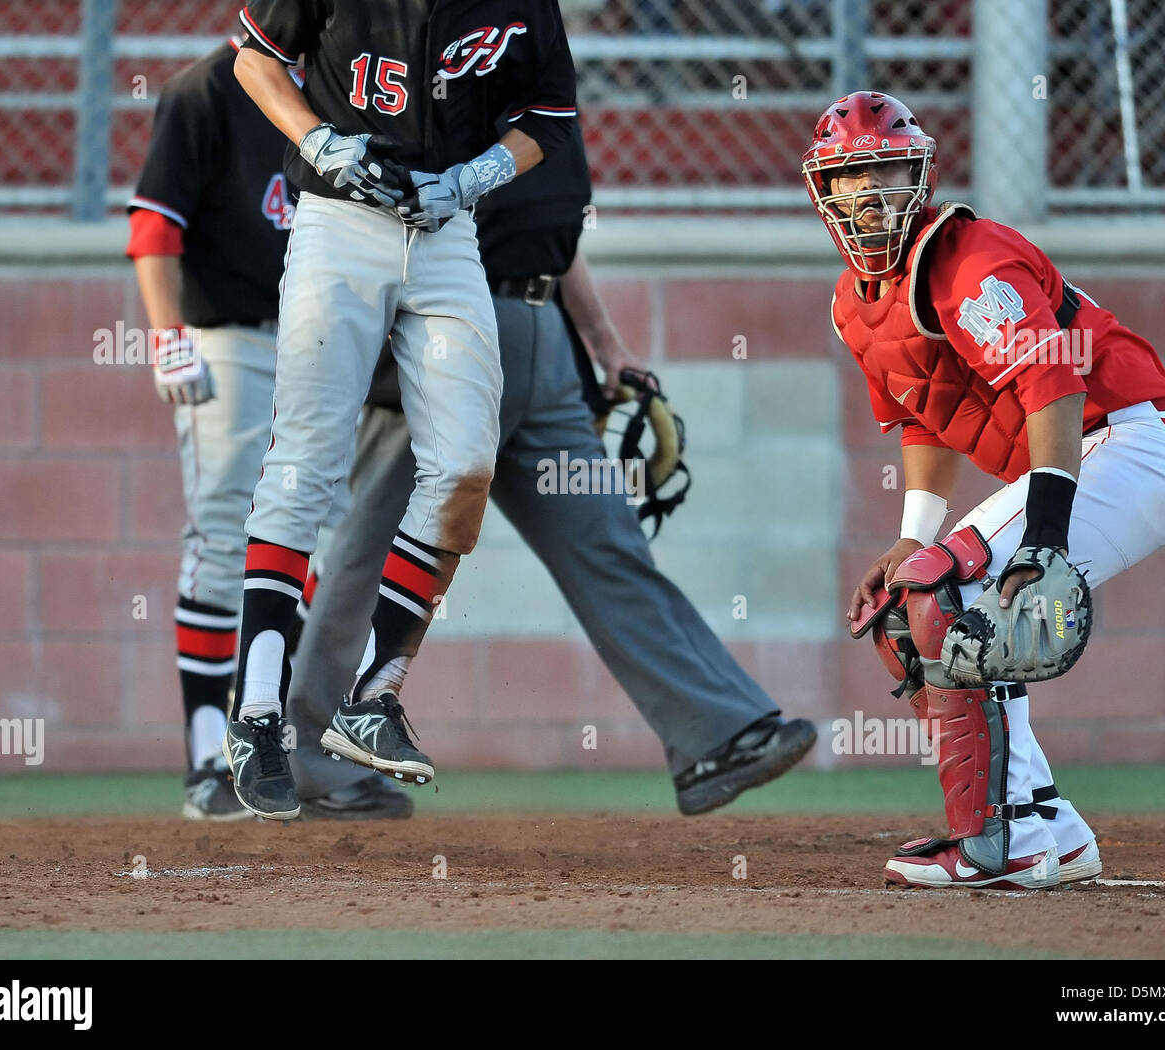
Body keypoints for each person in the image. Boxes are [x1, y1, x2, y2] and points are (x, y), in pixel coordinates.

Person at [287, 121, 817, 816]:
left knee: (607, 544)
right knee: (371, 550)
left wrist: (606, 346)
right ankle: (313, 757)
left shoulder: (541, 98)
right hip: (448, 333)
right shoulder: (444, 78)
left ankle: (715, 734)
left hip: (542, 340)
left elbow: (555, 242)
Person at [807, 91, 1165, 889]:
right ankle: (1050, 830)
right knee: (908, 603)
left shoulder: (967, 257)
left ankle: (1002, 843)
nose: (871, 192)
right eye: (852, 177)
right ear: (825, 193)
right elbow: (928, 416)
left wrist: (1044, 538)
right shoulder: (855, 306)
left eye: (886, 170)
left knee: (944, 593)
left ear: (918, 175)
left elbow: (1054, 384)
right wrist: (913, 538)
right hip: (1097, 452)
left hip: (1136, 442)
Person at [225, 0, 578, 819]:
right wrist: (316, 141)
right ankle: (257, 716)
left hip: (446, 229)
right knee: (306, 465)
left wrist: (475, 175)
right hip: (339, 223)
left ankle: (371, 699)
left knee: (462, 465)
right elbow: (254, 59)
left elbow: (549, 114)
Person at [127, 34, 406, 821]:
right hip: (232, 336)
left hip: (321, 340)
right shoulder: (204, 88)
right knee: (224, 532)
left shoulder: (338, 81)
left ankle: (276, 744)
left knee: (324, 534)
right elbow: (154, 224)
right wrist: (165, 333)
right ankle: (208, 759)